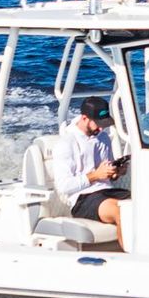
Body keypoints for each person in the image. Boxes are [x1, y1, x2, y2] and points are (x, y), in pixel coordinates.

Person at [53, 95, 128, 248]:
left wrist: (115, 173)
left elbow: (107, 174)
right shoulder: (66, 143)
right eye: (98, 124)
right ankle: (132, 259)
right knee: (123, 213)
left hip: (106, 191)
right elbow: (63, 186)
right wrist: (95, 175)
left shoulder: (103, 137)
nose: (101, 128)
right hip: (82, 199)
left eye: (104, 124)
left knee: (145, 204)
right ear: (85, 118)